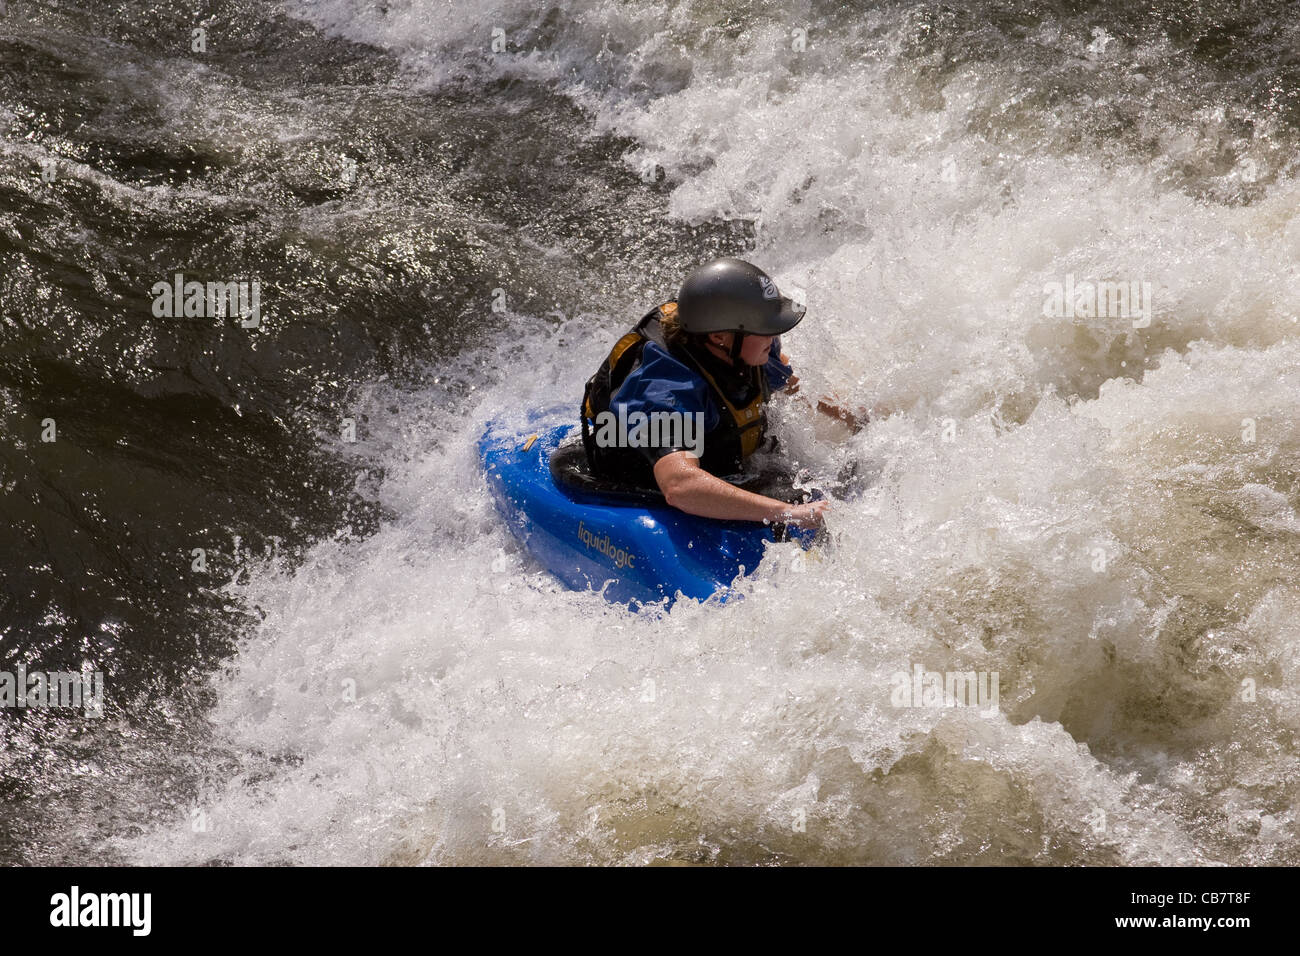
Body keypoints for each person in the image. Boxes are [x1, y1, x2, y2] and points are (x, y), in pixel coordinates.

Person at [580, 258, 863, 529]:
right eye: (766, 328)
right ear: (719, 337)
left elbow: (796, 388)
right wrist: (790, 513)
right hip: (645, 480)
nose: (775, 335)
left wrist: (859, 422)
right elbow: (679, 486)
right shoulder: (665, 389)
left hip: (720, 461)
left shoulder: (748, 346)